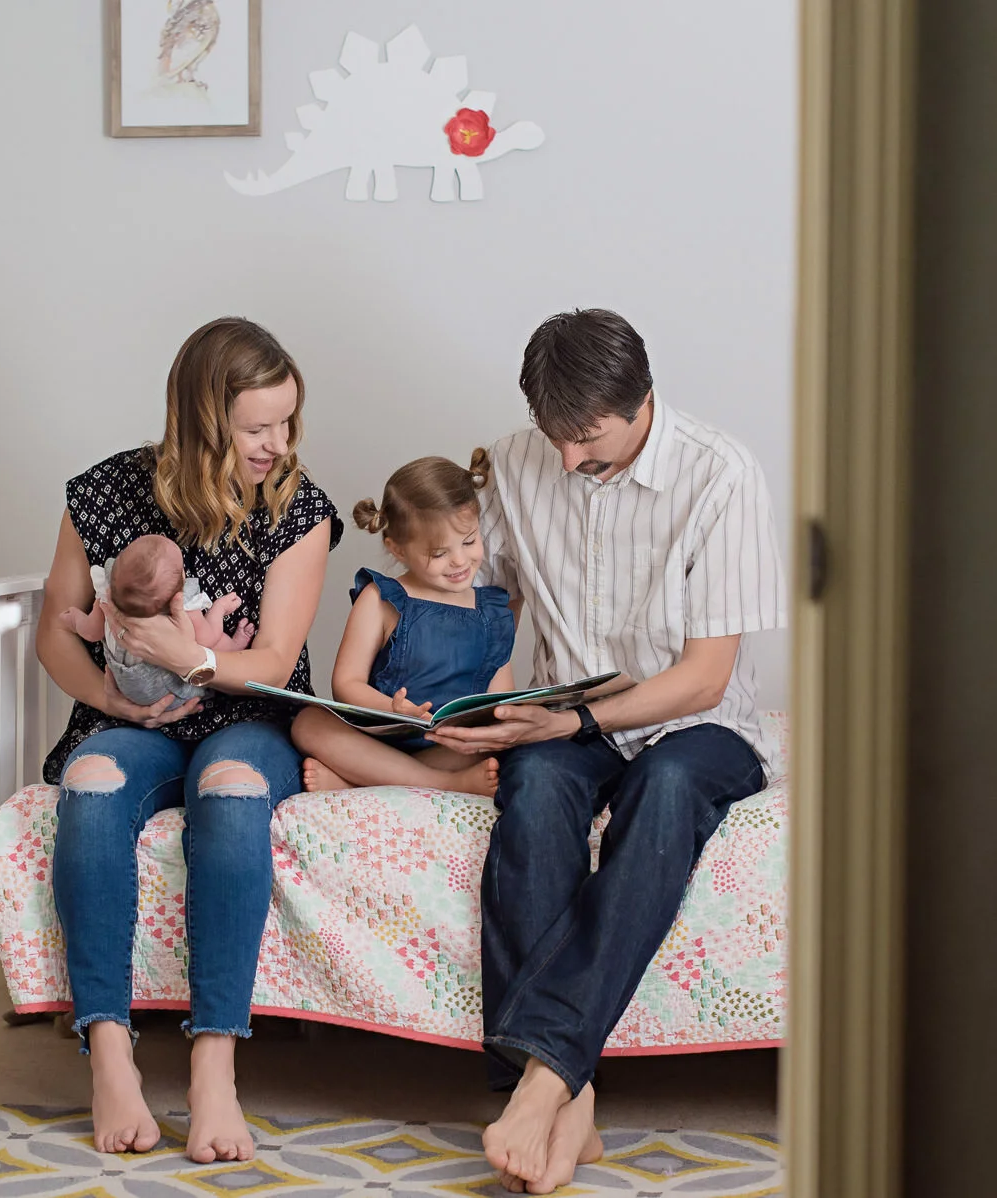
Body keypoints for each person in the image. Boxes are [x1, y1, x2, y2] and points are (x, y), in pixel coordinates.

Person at [428, 309, 786, 1194]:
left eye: (586, 438)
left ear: (642, 402)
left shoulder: (722, 475)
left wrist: (583, 724)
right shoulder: (515, 462)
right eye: (552, 437)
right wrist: (459, 697)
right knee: (535, 786)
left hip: (696, 725)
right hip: (564, 717)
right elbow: (485, 602)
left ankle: (540, 1079)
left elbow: (705, 678)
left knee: (663, 789)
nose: (564, 461)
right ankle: (572, 1103)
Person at [36, 317, 341, 1164]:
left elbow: (276, 660)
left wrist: (193, 656)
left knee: (233, 792)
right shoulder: (104, 493)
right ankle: (110, 1056)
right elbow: (55, 635)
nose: (276, 444)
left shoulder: (298, 508)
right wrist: (110, 697)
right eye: (256, 427)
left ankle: (214, 1067)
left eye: (286, 422)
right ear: (204, 420)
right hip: (132, 716)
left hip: (248, 715)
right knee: (92, 782)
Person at [291, 451, 515, 797]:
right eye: (439, 553)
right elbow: (346, 683)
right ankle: (440, 785)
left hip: (450, 747)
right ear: (396, 549)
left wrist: (486, 728)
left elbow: (500, 701)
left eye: (469, 541)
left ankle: (360, 781)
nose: (459, 560)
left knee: (505, 743)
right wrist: (389, 709)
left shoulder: (493, 610)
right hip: (379, 739)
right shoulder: (382, 599)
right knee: (308, 722)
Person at [59, 533, 258, 708]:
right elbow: (208, 637)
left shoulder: (108, 596)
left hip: (126, 688)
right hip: (171, 692)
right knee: (209, 643)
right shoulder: (184, 604)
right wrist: (218, 609)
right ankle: (234, 646)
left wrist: (75, 620)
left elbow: (92, 632)